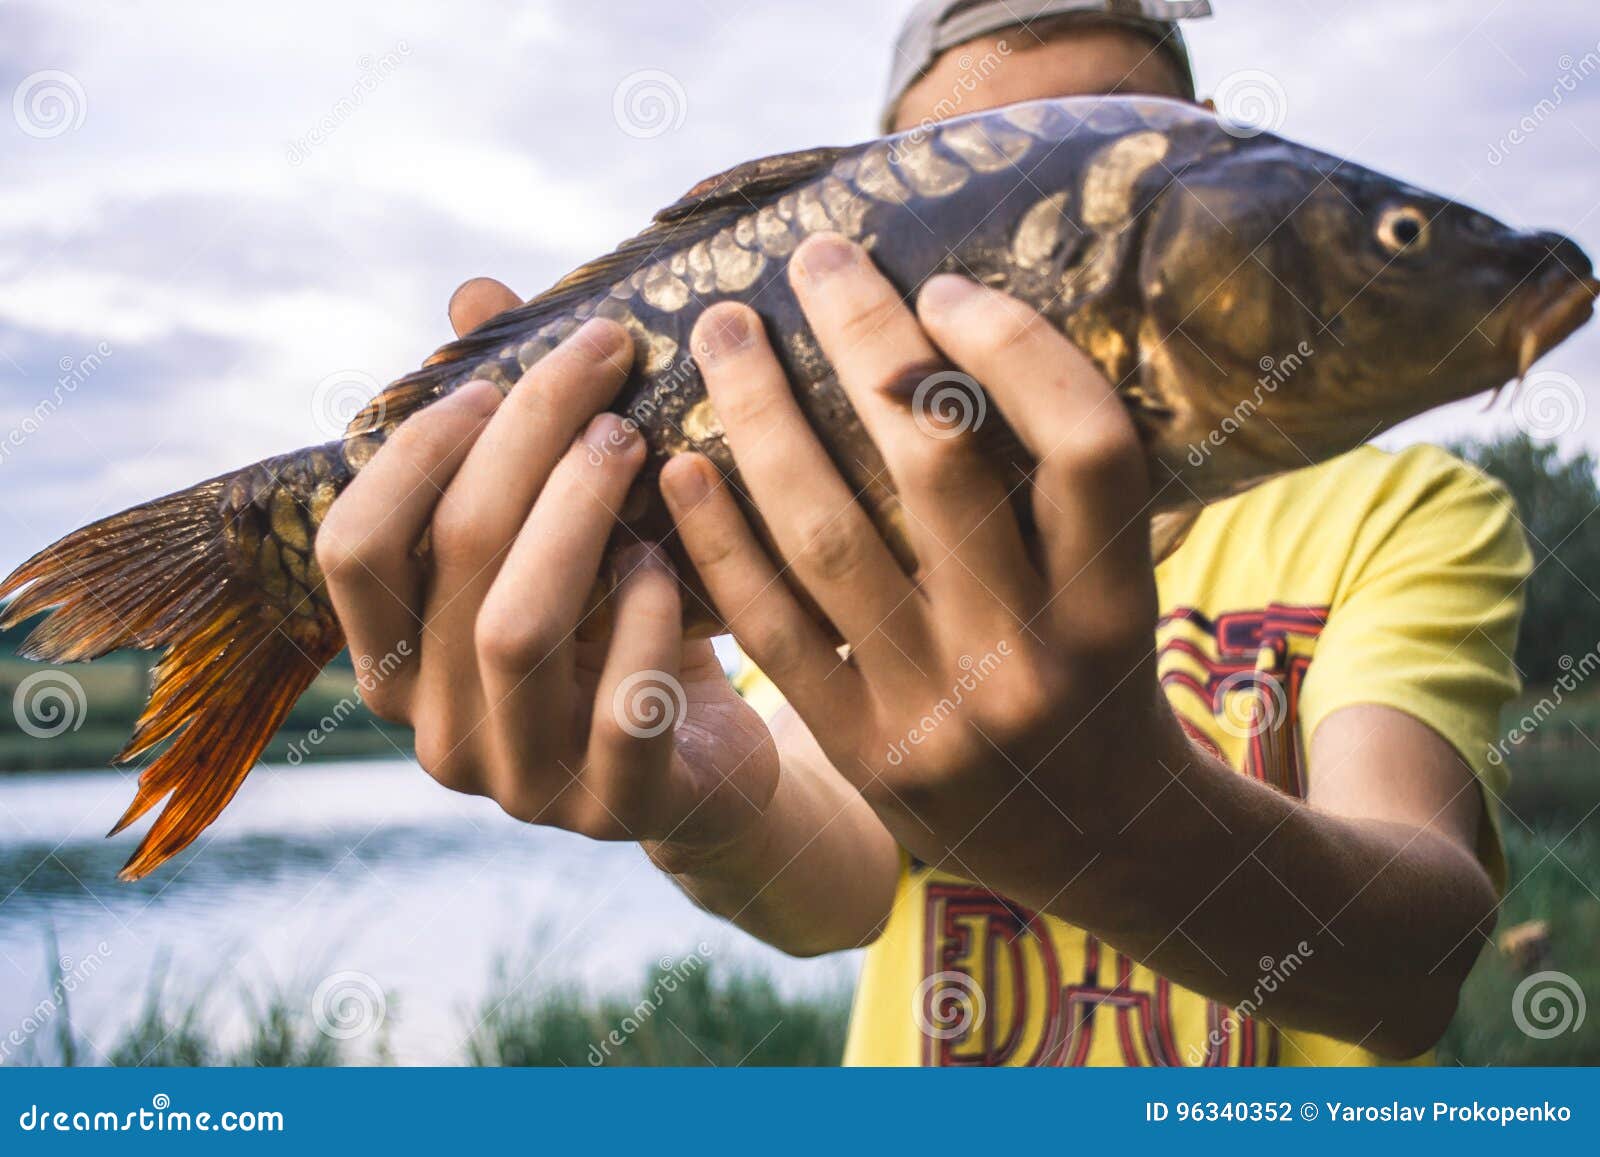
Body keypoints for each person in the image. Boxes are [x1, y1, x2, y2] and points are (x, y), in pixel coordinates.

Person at [314, 0, 1530, 1065]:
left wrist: (1120, 820)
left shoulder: (1407, 512)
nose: (1052, 259)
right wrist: (701, 800)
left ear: (1215, 144)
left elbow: (1410, 962)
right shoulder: (844, 529)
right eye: (991, 192)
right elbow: (830, 877)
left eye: (1100, 151)